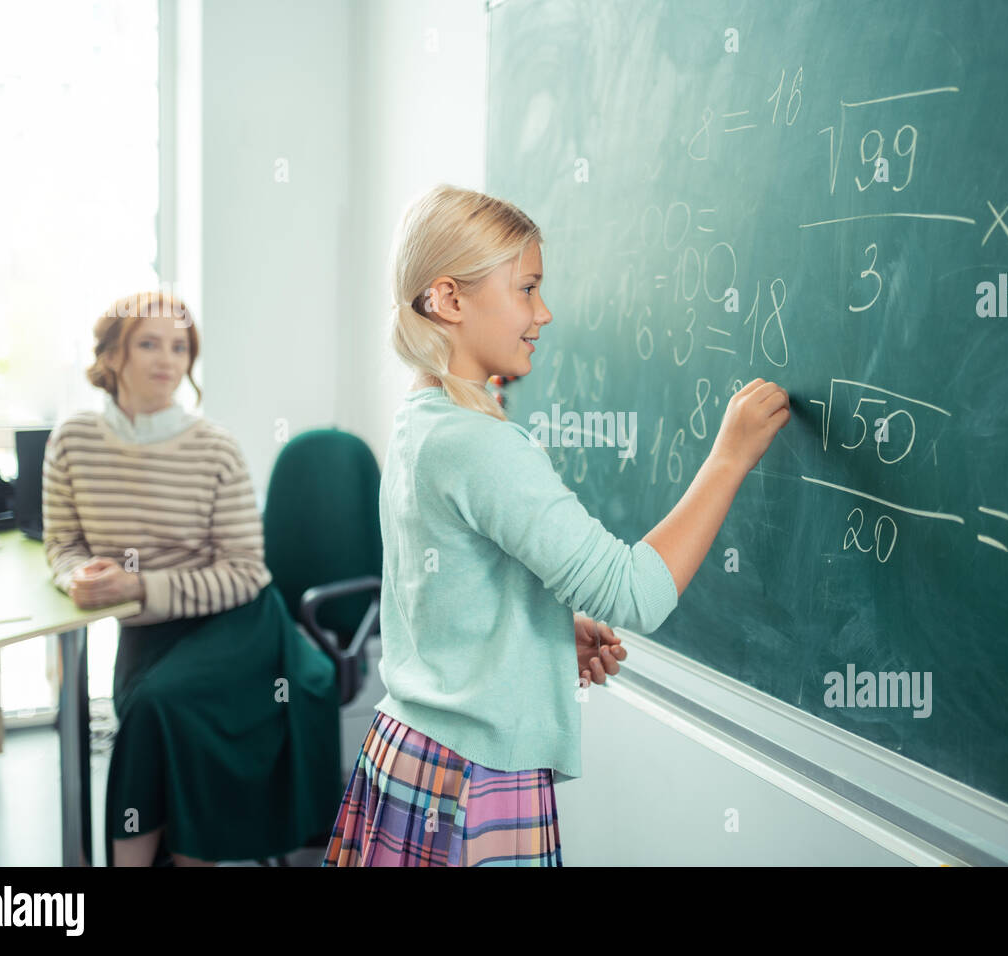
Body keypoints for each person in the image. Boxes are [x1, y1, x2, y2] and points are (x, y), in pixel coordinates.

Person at [322, 184, 789, 867]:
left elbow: (442, 595)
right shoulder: (482, 445)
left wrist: (536, 638)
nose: (544, 313)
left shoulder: (422, 419)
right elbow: (635, 593)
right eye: (527, 289)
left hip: (414, 754)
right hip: (471, 782)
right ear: (450, 300)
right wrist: (729, 457)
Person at [42, 291, 341, 866]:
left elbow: (246, 572)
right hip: (147, 634)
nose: (167, 359)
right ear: (113, 356)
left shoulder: (214, 447)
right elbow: (63, 543)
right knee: (153, 714)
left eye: (180, 347)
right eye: (149, 343)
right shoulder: (74, 441)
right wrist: (79, 575)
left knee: (158, 709)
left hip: (237, 626)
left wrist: (141, 588)